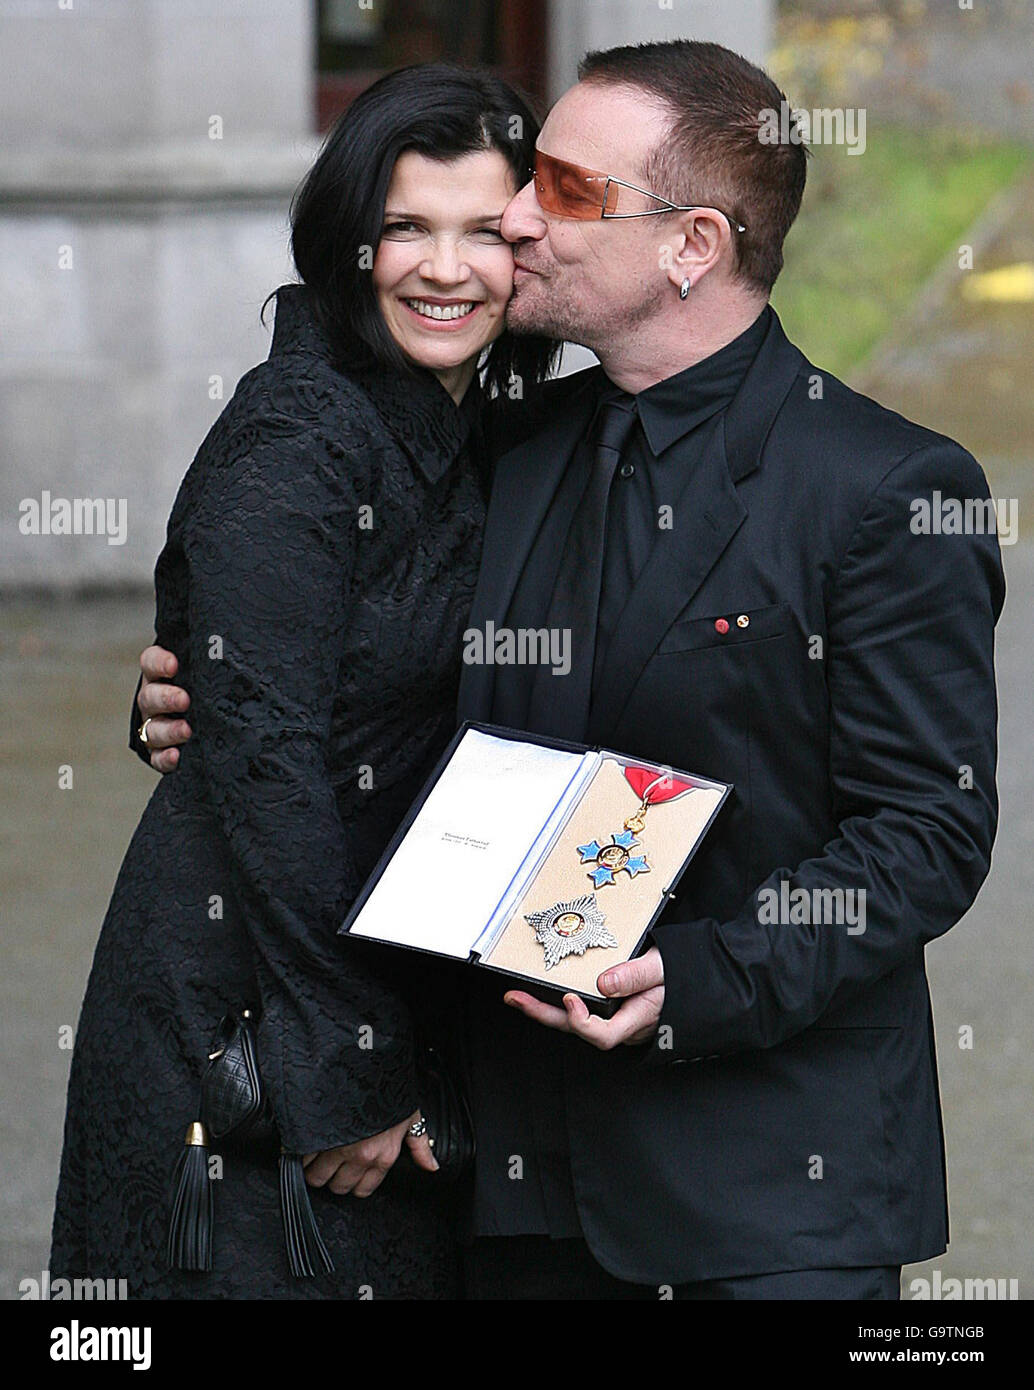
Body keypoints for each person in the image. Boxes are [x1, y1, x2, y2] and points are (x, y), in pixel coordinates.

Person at [135, 40, 1005, 1300]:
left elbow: (928, 829)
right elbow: (335, 623)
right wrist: (190, 688)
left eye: (567, 191)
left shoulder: (887, 489)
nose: (518, 218)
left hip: (768, 1203)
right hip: (510, 1192)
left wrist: (698, 982)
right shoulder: (505, 447)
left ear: (691, 244)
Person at [50, 62, 556, 1299]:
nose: (446, 268)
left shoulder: (477, 433)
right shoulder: (301, 430)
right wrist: (352, 1068)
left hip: (379, 982)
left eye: (484, 231)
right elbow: (268, 751)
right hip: (251, 1013)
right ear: (349, 242)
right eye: (404, 228)